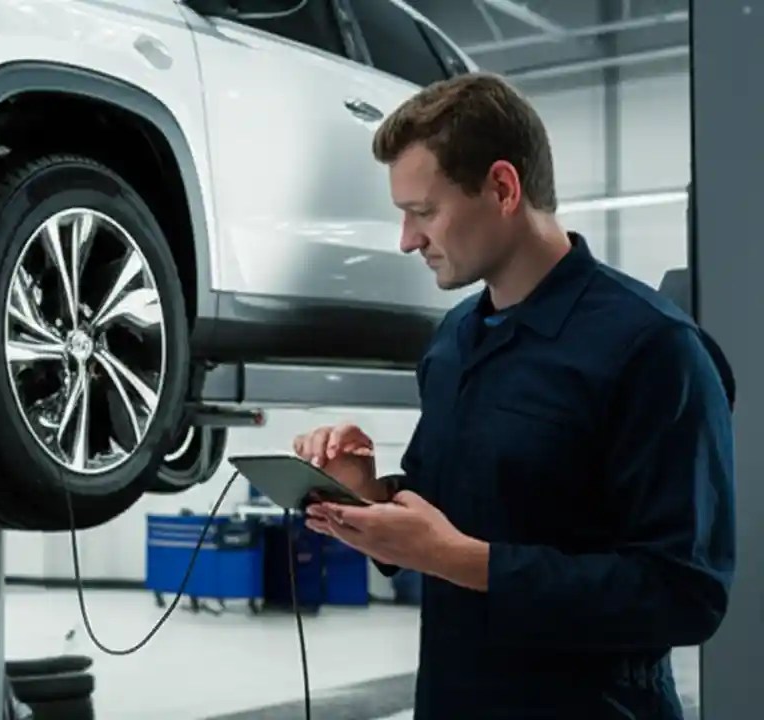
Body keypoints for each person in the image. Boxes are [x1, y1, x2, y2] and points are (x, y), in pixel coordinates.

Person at [295, 72, 736, 719]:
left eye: (424, 212)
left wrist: (461, 560)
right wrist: (364, 491)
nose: (407, 239)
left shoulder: (652, 346)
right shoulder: (453, 342)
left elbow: (685, 593)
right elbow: (448, 505)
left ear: (503, 188)